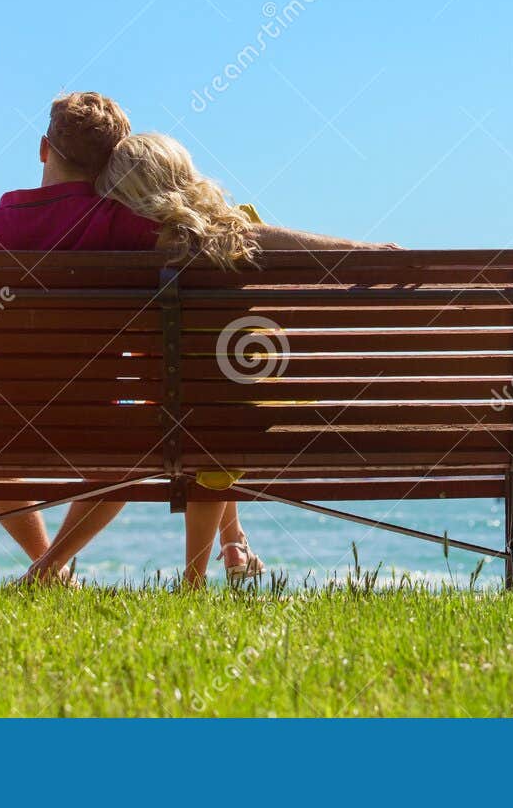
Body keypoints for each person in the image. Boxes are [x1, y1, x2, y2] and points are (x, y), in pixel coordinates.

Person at [98, 131, 396, 588]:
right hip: (241, 409)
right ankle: (204, 570)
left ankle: (209, 565)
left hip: (165, 414)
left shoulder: (127, 253)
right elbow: (281, 241)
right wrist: (368, 252)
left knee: (202, 403)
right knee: (221, 400)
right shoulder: (237, 232)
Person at [0, 91, 153, 585]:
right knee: (134, 448)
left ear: (44, 149)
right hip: (96, 421)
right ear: (112, 163)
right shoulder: (128, 230)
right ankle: (51, 568)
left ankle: (46, 566)